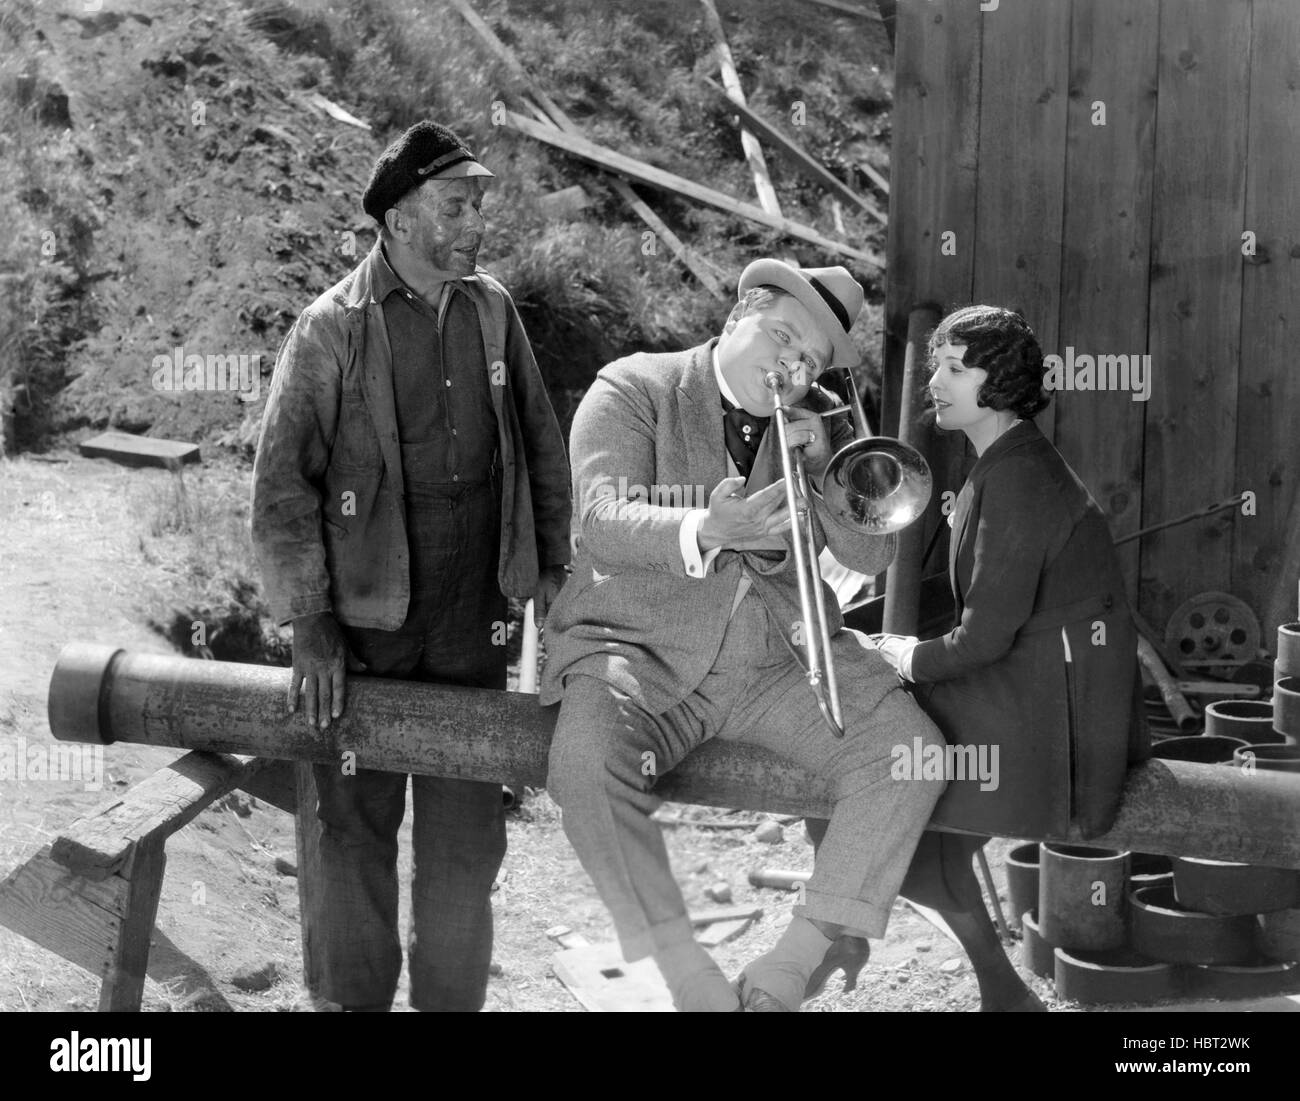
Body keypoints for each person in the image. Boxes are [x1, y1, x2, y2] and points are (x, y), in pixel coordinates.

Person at [541, 259, 948, 1012]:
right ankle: (685, 970)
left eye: (811, 360)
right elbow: (600, 520)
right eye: (782, 335)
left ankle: (786, 971)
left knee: (910, 753)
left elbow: (873, 554)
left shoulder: (821, 421)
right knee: (582, 767)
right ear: (734, 320)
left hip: (775, 656)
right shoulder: (632, 387)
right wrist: (703, 525)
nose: (791, 366)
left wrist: (829, 466)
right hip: (637, 650)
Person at [251, 121, 572, 1012]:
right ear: (396, 218)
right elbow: (282, 489)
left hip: (475, 624)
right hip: (365, 632)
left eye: (480, 204)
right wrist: (310, 624)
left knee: (467, 843)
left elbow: (542, 449)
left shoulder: (493, 311)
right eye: (456, 205)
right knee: (353, 836)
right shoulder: (332, 329)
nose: (476, 222)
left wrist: (552, 575)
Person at [864, 305, 1149, 1009]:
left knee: (873, 751)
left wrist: (901, 655)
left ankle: (1001, 989)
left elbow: (983, 638)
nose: (935, 380)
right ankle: (1003, 989)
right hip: (1035, 681)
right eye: (935, 363)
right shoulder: (1001, 460)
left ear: (1003, 381)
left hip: (1060, 712)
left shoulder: (1019, 476)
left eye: (956, 367)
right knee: (913, 839)